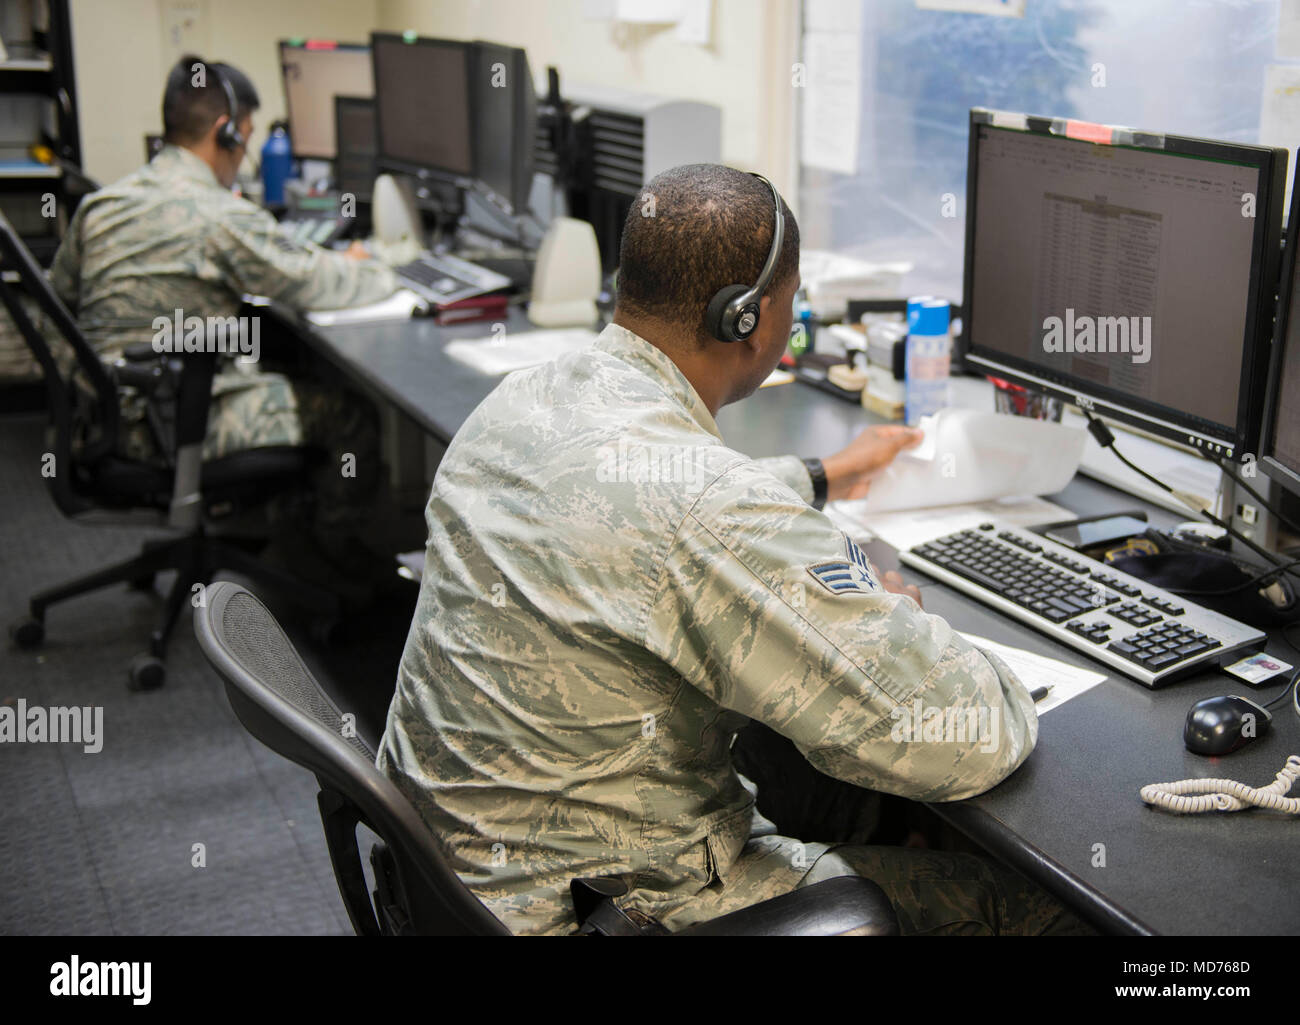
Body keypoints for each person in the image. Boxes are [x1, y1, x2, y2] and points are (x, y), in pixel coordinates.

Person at [379, 163, 1085, 935]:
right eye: (795, 298)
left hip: (453, 885)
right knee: (1028, 910)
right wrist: (901, 628)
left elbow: (639, 506)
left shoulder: (527, 395)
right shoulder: (710, 509)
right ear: (748, 315)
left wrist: (821, 474)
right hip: (610, 908)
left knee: (817, 776)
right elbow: (968, 738)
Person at [49, 55, 398, 576]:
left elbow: (56, 305)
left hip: (96, 419)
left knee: (285, 367)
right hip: (170, 427)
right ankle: (331, 560)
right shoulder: (219, 216)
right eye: (248, 135)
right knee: (351, 415)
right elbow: (310, 284)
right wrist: (389, 270)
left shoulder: (102, 206)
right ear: (226, 133)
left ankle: (273, 529)